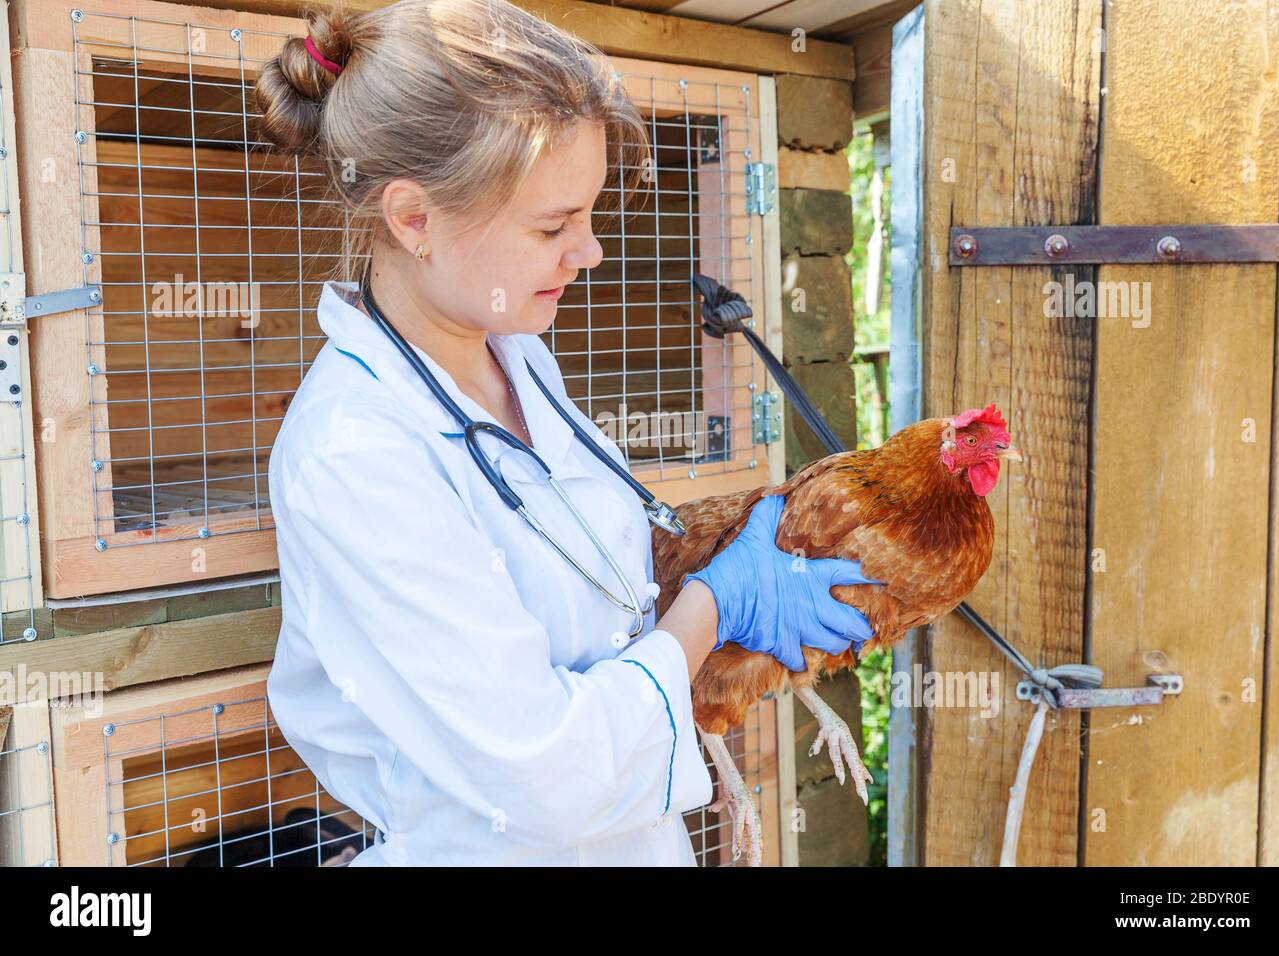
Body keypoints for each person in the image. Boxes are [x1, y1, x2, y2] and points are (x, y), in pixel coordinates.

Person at [260, 0, 875, 866]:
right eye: (552, 226)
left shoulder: (517, 359)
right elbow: (543, 776)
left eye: (586, 216)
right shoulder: (355, 454)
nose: (588, 253)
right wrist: (714, 605)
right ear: (413, 220)